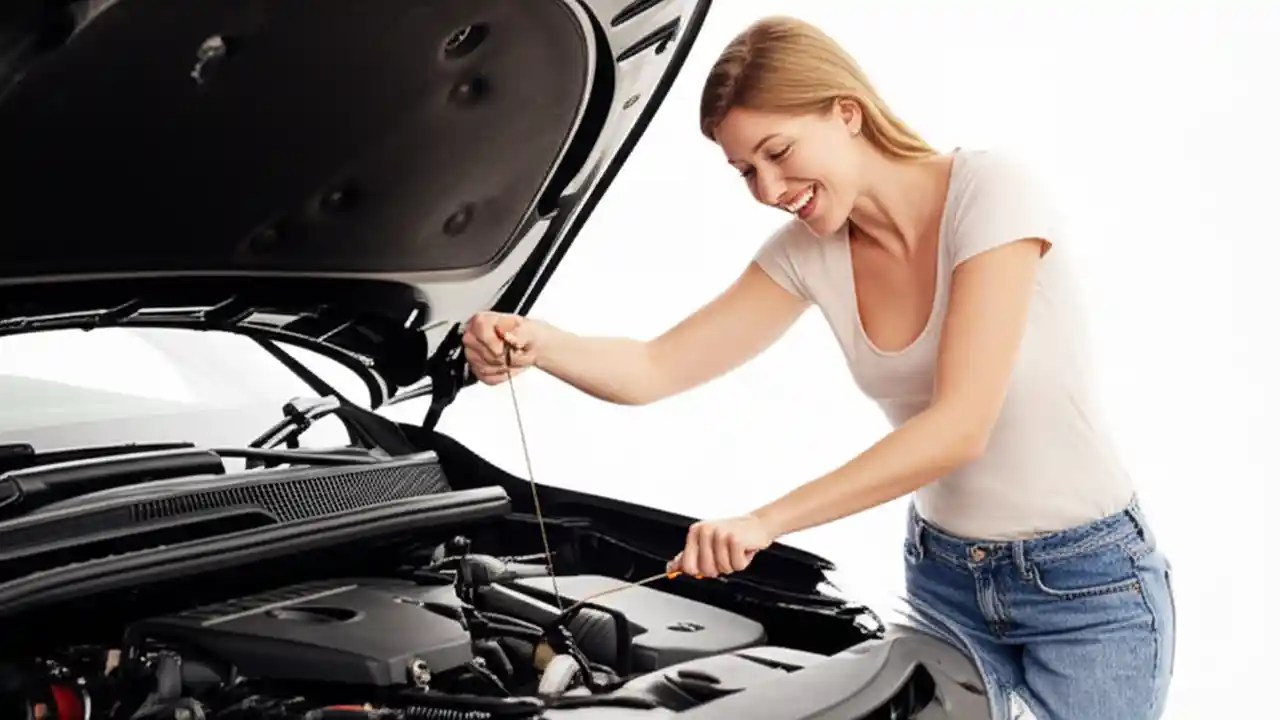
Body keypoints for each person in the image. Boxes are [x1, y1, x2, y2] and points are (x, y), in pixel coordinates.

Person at [461, 15, 1174, 720]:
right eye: (746, 171)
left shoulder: (991, 192)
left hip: (1086, 588)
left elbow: (961, 426)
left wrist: (766, 521)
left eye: (778, 151)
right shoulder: (806, 252)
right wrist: (539, 343)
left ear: (846, 113)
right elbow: (655, 366)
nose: (769, 189)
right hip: (945, 581)